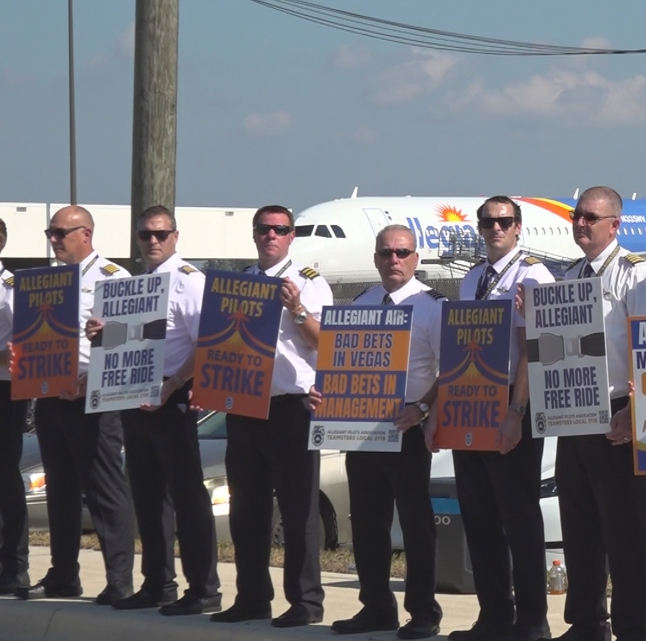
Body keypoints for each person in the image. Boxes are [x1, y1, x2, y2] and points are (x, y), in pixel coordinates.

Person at [83, 205, 221, 615]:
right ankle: (158, 583)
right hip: (131, 396)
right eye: (146, 235)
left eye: (161, 234)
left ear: (175, 236)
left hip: (172, 398)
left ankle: (203, 589)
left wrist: (175, 384)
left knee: (187, 497)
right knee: (147, 497)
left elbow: (207, 342)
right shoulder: (134, 284)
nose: (153, 241)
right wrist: (101, 334)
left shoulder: (189, 282)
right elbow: (127, 341)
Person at [315, 225, 445, 639]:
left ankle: (423, 611)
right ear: (375, 258)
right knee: (367, 522)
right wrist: (327, 395)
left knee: (415, 525)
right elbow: (339, 362)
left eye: (402, 252)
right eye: (386, 253)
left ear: (416, 258)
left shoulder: (433, 306)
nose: (394, 260)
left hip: (407, 430)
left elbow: (453, 369)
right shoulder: (362, 303)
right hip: (361, 430)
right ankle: (376, 608)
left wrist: (423, 408)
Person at [210, 204, 333, 628]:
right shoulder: (240, 283)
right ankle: (252, 597)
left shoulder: (309, 283)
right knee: (247, 510)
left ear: (291, 236)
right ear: (254, 234)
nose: (271, 236)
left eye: (279, 229)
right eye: (264, 229)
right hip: (244, 407)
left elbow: (322, 343)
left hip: (290, 407)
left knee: (299, 511)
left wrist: (297, 308)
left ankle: (305, 602)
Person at [558, 186, 646, 641]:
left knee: (626, 534)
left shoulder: (637, 277)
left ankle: (632, 628)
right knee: (578, 527)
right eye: (577, 216)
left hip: (619, 412)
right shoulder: (568, 278)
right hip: (572, 411)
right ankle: (585, 624)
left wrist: (634, 412)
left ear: (614, 225)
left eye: (591, 217)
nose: (581, 224)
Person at [16, 206, 136, 603]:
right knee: (60, 490)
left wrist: (89, 378)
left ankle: (119, 578)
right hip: (50, 397)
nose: (52, 240)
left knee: (104, 490)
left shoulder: (113, 279)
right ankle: (63, 574)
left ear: (85, 234)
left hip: (94, 399)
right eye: (49, 233)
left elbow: (134, 341)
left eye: (59, 233)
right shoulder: (44, 282)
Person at [448, 196, 555, 641]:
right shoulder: (472, 277)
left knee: (519, 519)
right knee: (480, 518)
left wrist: (516, 410)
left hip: (514, 410)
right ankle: (493, 616)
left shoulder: (534, 274)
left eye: (504, 221)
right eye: (488, 221)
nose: (496, 228)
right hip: (470, 407)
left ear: (518, 227)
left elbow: (537, 350)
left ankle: (532, 621)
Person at [0, 218, 30, 595]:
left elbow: (20, 352)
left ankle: (13, 567)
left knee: (5, 477)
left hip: (5, 392)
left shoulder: (13, 290)